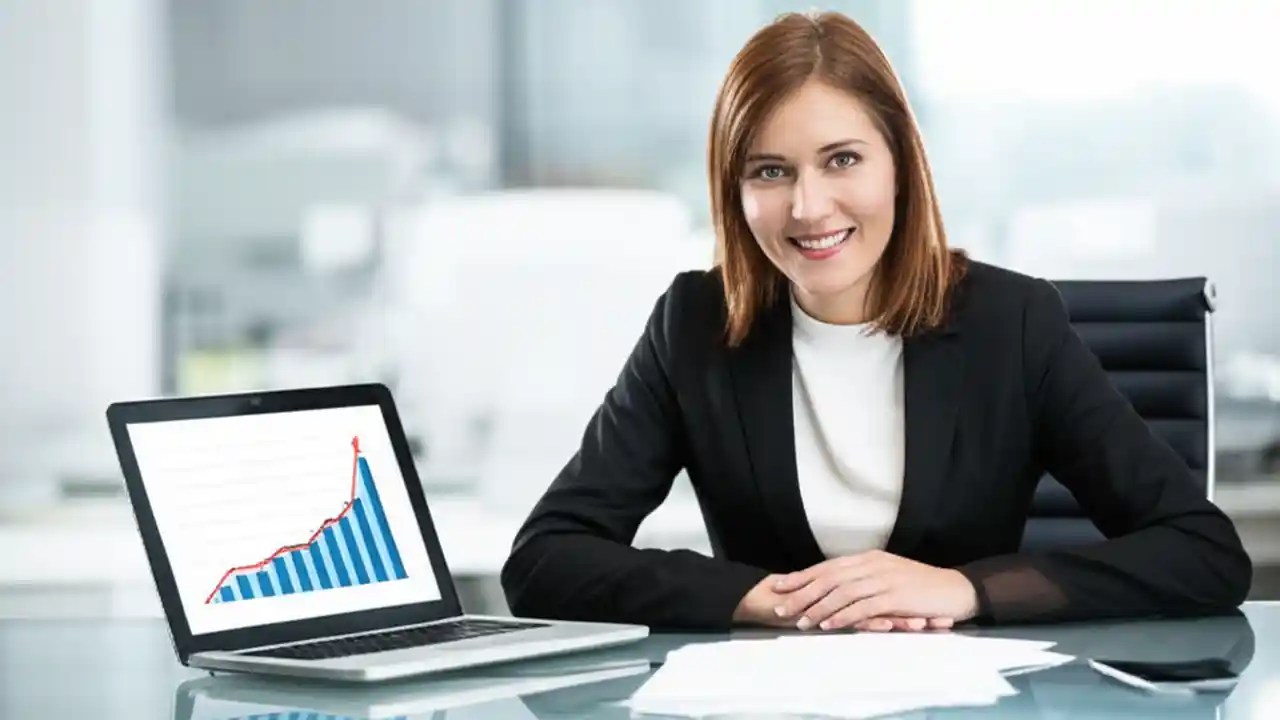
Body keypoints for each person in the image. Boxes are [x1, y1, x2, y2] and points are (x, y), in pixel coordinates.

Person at [499, 10, 1251, 632]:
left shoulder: (1012, 323)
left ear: (900, 164)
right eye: (770, 170)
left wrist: (963, 589)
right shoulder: (695, 325)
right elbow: (544, 560)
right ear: (734, 189)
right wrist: (773, 600)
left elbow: (1203, 553)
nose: (807, 207)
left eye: (842, 160)